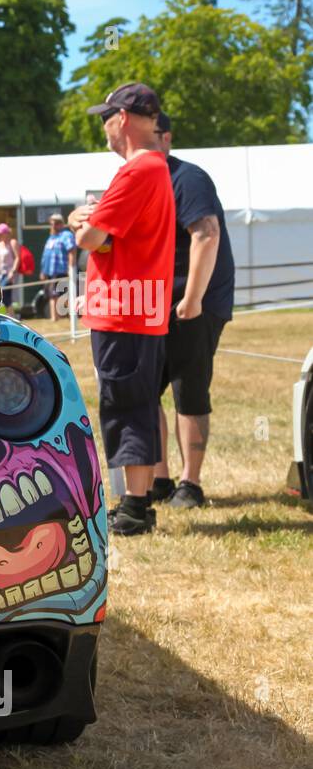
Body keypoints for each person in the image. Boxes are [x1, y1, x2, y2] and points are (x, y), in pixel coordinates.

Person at [68, 82, 176, 536]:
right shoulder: (156, 169)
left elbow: (89, 238)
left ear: (124, 119)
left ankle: (134, 507)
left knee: (123, 405)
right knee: (138, 403)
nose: (104, 128)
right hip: (140, 307)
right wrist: (90, 222)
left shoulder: (137, 171)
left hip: (124, 308)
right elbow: (103, 231)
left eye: (105, 118)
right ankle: (139, 501)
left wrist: (83, 221)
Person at [149, 112, 235, 509]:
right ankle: (160, 479)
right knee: (146, 391)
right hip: (156, 301)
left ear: (166, 138)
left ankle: (191, 484)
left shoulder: (188, 177)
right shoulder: (141, 180)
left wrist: (193, 299)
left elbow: (206, 233)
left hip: (196, 301)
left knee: (189, 389)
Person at [39, 212, 76, 322]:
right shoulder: (51, 238)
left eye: (56, 223)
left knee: (65, 296)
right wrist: (43, 271)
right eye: (52, 223)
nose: (53, 226)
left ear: (61, 224)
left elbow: (72, 251)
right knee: (52, 295)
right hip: (50, 272)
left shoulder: (66, 235)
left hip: (62, 271)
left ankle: (71, 318)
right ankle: (54, 318)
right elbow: (45, 256)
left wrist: (71, 268)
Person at [0, 222, 20, 312]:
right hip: (0, 274)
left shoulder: (13, 242)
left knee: (2, 292)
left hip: (9, 274)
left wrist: (13, 271)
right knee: (4, 297)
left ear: (6, 233)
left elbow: (17, 258)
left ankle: (11, 315)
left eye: (0, 234)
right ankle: (11, 315)